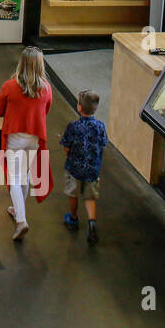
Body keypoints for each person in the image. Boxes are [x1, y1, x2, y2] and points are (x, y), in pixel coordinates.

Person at [0, 47, 53, 241]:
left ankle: (21, 220)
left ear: (21, 63)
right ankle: (17, 209)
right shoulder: (46, 88)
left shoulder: (9, 86)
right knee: (25, 174)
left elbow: (0, 111)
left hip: (14, 137)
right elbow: (46, 110)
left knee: (13, 179)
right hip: (35, 138)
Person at [61, 89, 108, 245]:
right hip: (92, 168)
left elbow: (66, 146)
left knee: (73, 193)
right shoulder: (100, 127)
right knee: (90, 197)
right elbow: (103, 144)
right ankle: (92, 222)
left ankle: (73, 218)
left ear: (79, 107)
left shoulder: (73, 126)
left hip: (74, 167)